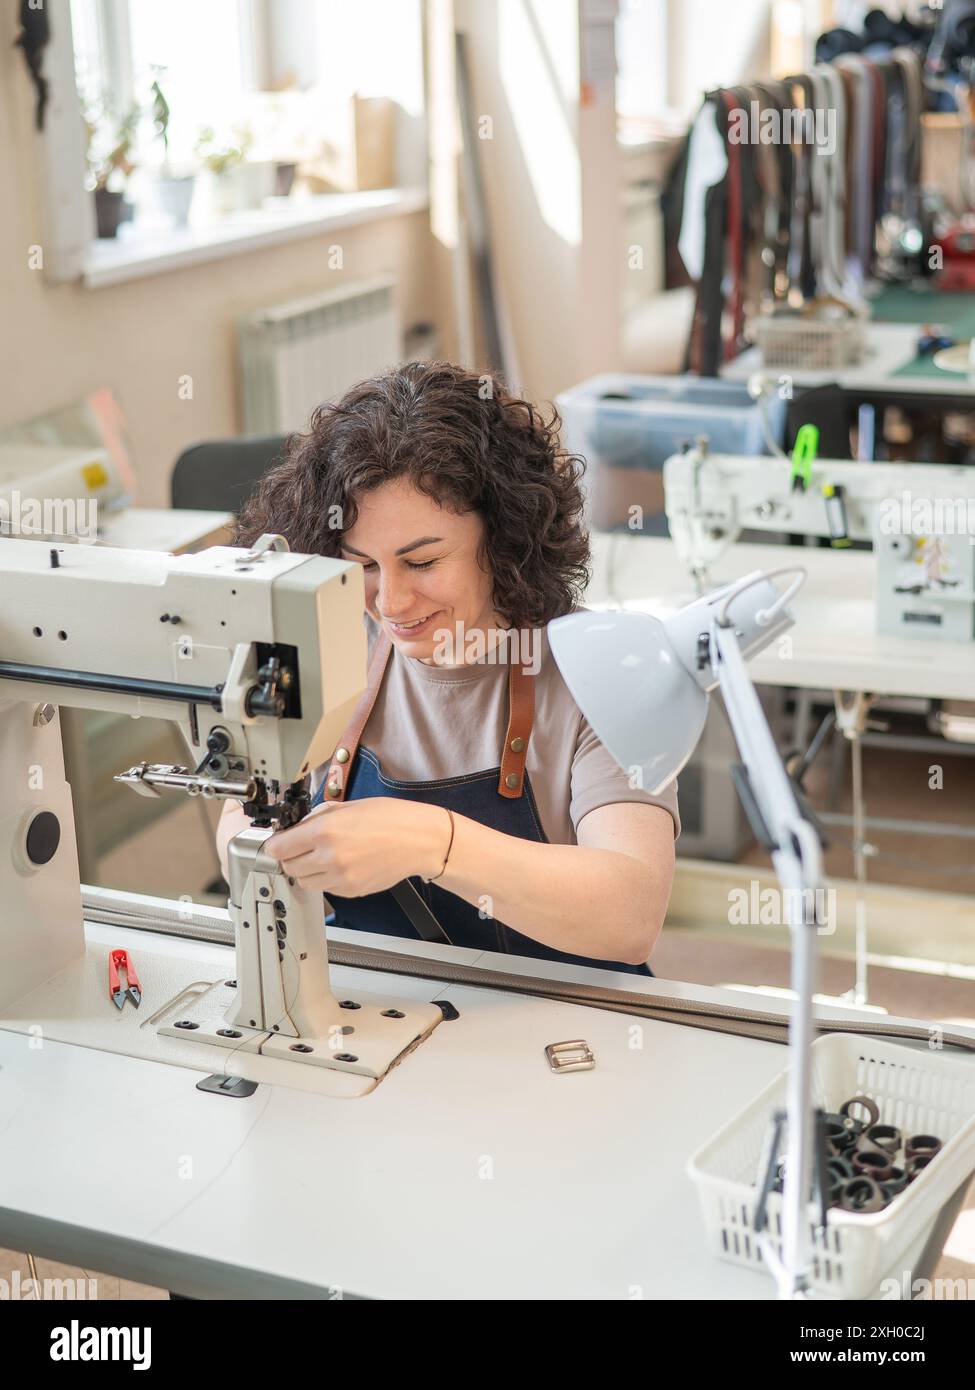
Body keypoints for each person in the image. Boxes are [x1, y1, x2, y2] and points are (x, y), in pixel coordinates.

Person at [216, 362, 678, 975]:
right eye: (365, 566)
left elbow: (630, 917)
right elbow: (237, 819)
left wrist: (433, 843)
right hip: (390, 1009)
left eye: (424, 561)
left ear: (506, 539)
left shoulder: (601, 673)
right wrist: (274, 862)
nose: (390, 604)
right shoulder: (326, 643)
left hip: (570, 1027)